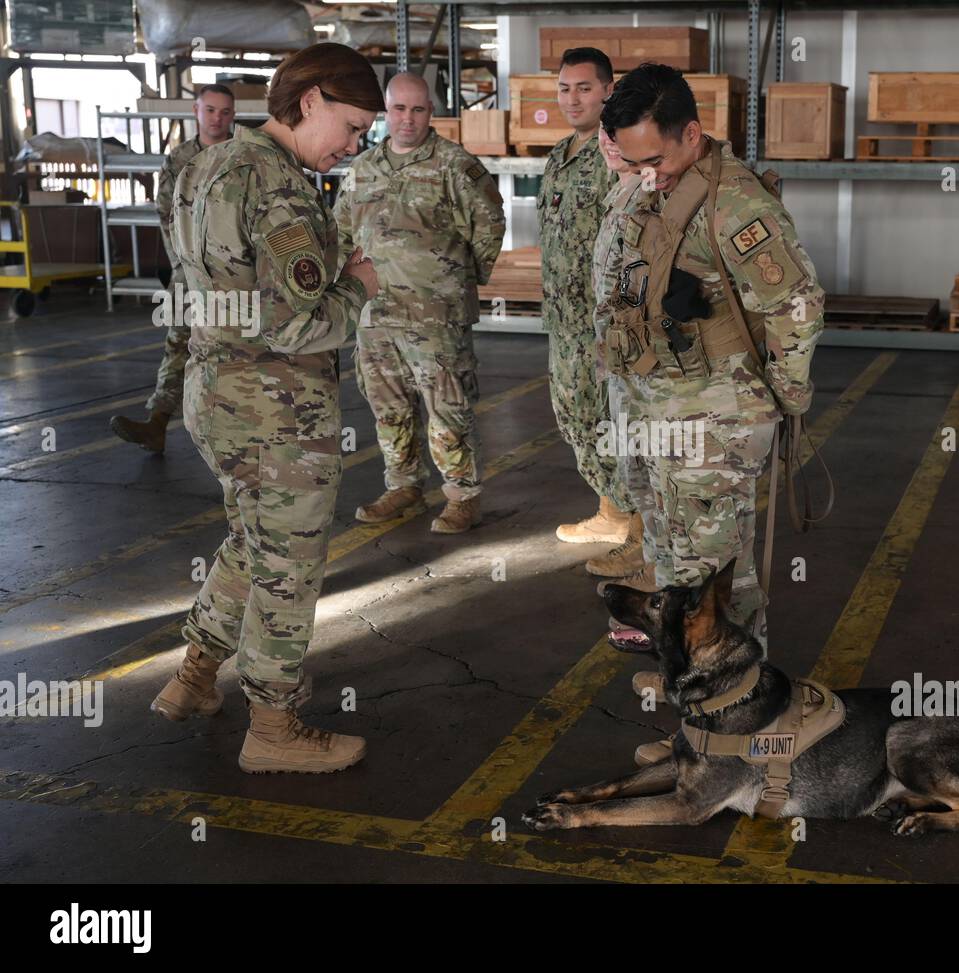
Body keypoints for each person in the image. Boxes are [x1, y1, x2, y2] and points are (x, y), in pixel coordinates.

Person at [150, 43, 383, 775]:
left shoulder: (204, 166)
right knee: (289, 566)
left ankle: (192, 676)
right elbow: (293, 324)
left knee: (253, 545)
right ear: (308, 100)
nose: (352, 146)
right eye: (351, 126)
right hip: (277, 411)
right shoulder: (277, 186)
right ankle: (274, 727)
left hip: (216, 394)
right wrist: (358, 287)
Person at [597, 64, 825, 763]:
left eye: (656, 158)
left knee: (721, 585)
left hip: (715, 423)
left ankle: (737, 734)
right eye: (631, 160)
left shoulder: (737, 205)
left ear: (692, 134)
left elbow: (797, 308)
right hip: (661, 412)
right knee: (675, 567)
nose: (646, 174)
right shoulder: (652, 185)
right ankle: (695, 700)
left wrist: (784, 400)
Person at [333, 72, 505, 533]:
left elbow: (488, 224)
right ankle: (403, 485)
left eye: (418, 109)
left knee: (447, 407)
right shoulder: (363, 168)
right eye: (399, 109)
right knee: (388, 407)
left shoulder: (454, 165)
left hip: (436, 318)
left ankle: (461, 494)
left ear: (431, 111)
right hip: (375, 315)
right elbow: (342, 232)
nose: (408, 119)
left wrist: (461, 282)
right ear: (385, 112)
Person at [537, 47, 638, 569]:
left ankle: (630, 520)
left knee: (608, 418)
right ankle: (612, 508)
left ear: (607, 91)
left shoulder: (616, 153)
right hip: (563, 320)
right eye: (564, 88)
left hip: (601, 321)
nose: (572, 98)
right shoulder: (560, 155)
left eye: (583, 88)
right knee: (576, 416)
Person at [110, 84, 236, 453]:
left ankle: (236, 430)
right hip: (190, 269)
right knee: (179, 341)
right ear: (196, 111)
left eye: (225, 112)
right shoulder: (179, 160)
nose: (217, 118)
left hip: (238, 272)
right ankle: (158, 422)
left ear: (233, 115)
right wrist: (182, 264)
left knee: (239, 348)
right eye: (210, 110)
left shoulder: (244, 155)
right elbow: (166, 214)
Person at [588, 127, 655, 586]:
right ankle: (647, 550)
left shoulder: (655, 192)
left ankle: (658, 565)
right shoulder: (622, 190)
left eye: (621, 134)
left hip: (645, 359)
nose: (610, 142)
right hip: (618, 354)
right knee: (633, 461)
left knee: (652, 463)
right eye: (604, 134)